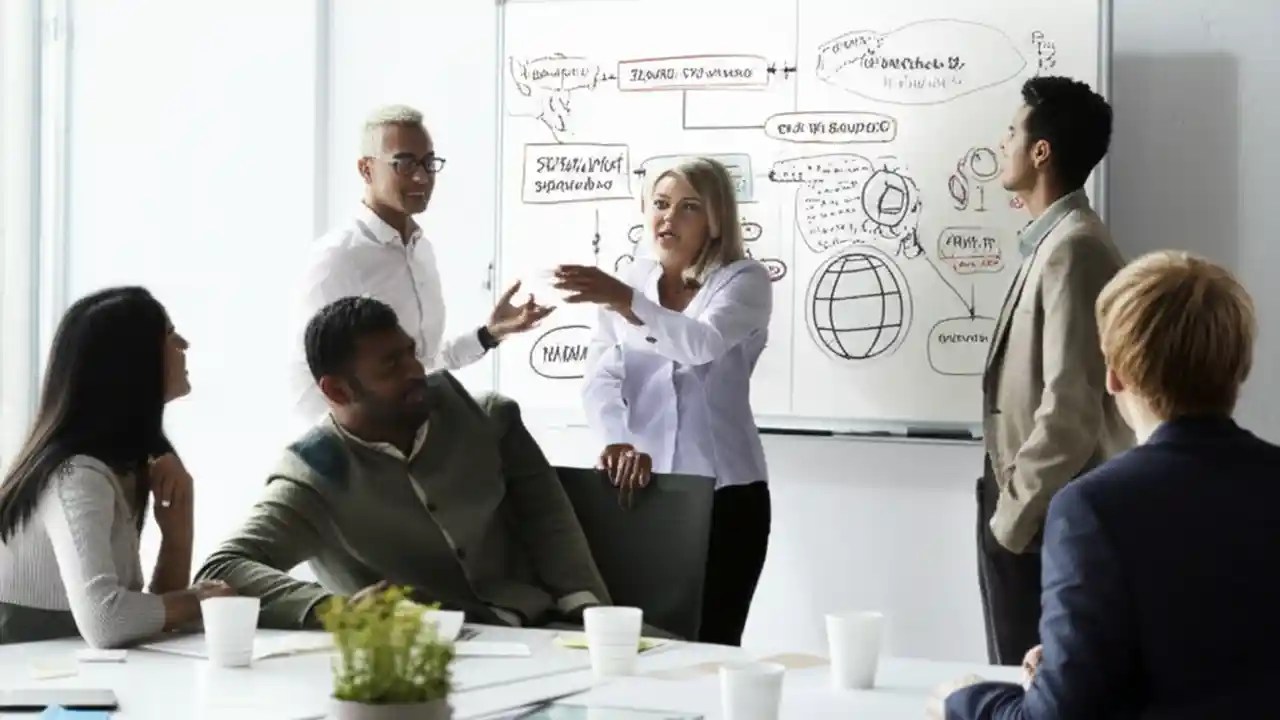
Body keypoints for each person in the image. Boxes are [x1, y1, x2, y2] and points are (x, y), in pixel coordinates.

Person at [939, 251, 1278, 717]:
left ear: (1114, 375)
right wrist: (1065, 671)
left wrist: (965, 699)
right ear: (1239, 370)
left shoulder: (1093, 508)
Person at [197, 296, 611, 630]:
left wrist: (589, 612)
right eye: (391, 365)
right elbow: (223, 569)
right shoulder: (315, 472)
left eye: (410, 353)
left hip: (546, 629)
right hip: (425, 661)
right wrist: (338, 611)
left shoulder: (488, 419)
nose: (415, 370)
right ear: (338, 390)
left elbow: (550, 522)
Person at [562, 157, 772, 646]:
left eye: (688, 207)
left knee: (713, 642)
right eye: (659, 205)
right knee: (641, 641)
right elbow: (600, 376)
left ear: (716, 219)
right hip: (642, 489)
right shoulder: (629, 282)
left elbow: (700, 345)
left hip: (726, 494)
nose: (667, 219)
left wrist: (624, 301)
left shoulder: (744, 280)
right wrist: (615, 440)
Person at [978, 75, 1134, 665]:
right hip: (1026, 504)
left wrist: (1013, 516)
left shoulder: (1075, 248)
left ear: (1041, 151)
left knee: (1034, 685)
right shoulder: (1053, 242)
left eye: (1012, 131)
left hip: (1039, 512)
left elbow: (1072, 406)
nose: (1002, 142)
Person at [288, 103, 552, 427]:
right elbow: (306, 384)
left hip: (416, 431)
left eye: (429, 162)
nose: (422, 176)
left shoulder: (419, 249)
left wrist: (489, 334)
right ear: (366, 170)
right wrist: (353, 459)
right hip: (368, 450)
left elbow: (425, 362)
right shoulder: (338, 258)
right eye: (404, 163)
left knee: (501, 419)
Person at [0, 287, 233, 647]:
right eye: (170, 335)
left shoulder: (124, 465)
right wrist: (197, 600)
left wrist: (177, 535)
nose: (183, 345)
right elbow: (107, 621)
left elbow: (151, 622)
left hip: (70, 681)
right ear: (133, 364)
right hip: (27, 692)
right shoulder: (76, 474)